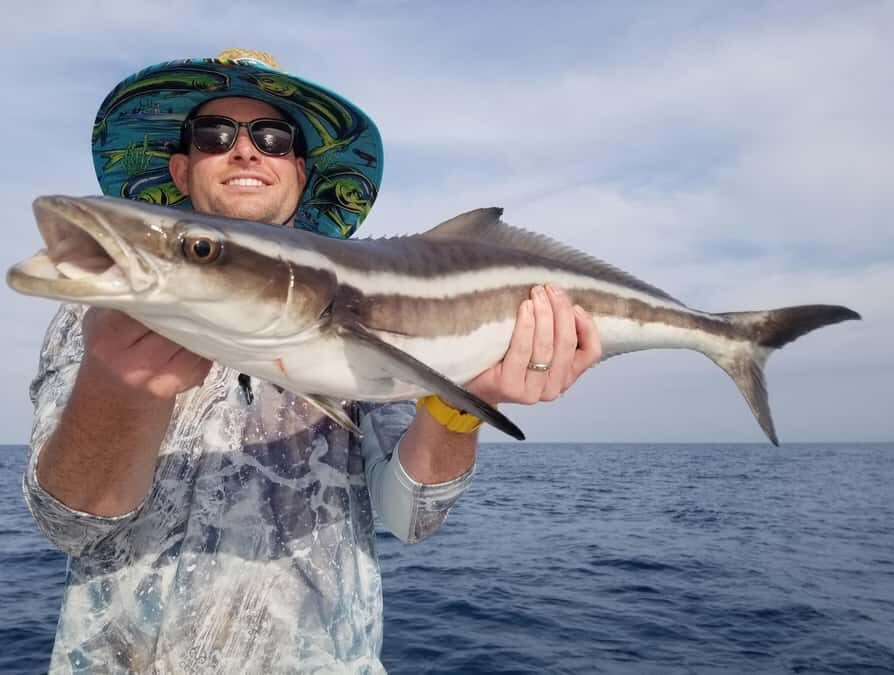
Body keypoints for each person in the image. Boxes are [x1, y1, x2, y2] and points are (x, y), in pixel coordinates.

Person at [24, 49, 601, 673]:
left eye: (272, 138)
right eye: (214, 135)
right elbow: (69, 529)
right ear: (181, 168)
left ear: (301, 170)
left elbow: (411, 519)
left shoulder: (369, 308)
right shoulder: (100, 316)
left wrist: (457, 407)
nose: (245, 151)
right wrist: (118, 393)